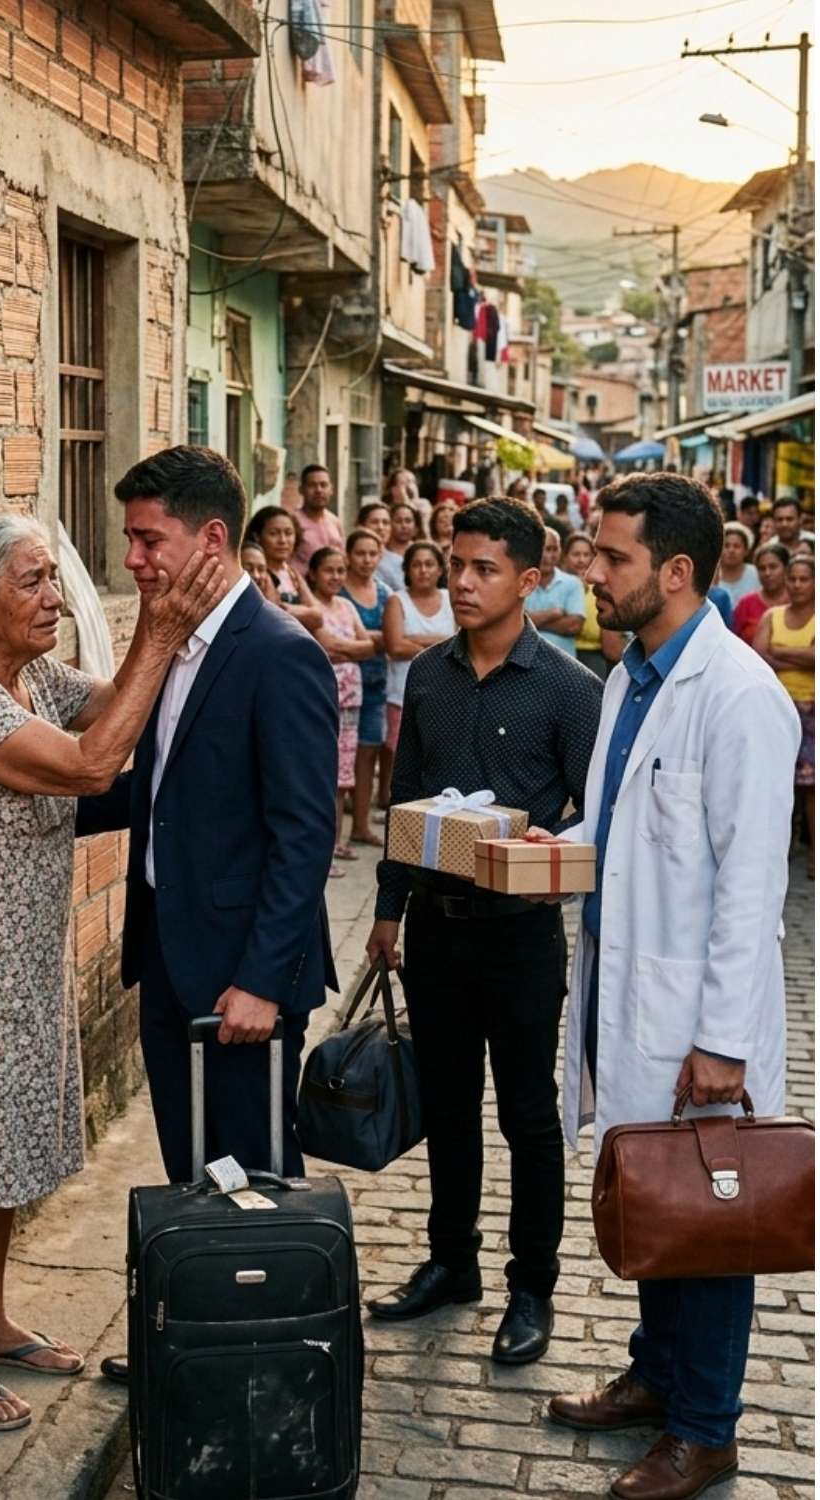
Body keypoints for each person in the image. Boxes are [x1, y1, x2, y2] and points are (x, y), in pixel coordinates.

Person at [0, 512, 223, 1430]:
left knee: (0, 1130)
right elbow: (91, 763)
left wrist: (174, 660)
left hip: (13, 951)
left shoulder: (26, 675)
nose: (53, 597)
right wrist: (160, 632)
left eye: (51, 578)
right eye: (31, 582)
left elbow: (112, 705)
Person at [549, 472, 800, 1500]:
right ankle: (657, 1378)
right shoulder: (629, 678)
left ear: (677, 571)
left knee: (708, 1212)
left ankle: (707, 1427)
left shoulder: (739, 696)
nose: (592, 573)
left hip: (696, 1015)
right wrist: (548, 848)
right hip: (623, 990)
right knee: (655, 1193)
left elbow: (752, 891)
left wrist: (725, 1043)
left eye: (613, 558)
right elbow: (617, 833)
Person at [76, 446, 339, 1286]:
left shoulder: (277, 652)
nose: (132, 561)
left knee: (254, 1178)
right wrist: (27, 806)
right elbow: (151, 792)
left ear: (212, 539)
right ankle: (191, 1332)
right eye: (129, 540)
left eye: (149, 540)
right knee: (191, 1170)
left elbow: (306, 833)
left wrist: (263, 979)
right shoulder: (170, 644)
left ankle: (263, 1353)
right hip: (168, 958)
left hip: (242, 976)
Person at [364, 499, 602, 1366]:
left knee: (529, 1119)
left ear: (530, 581)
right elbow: (404, 803)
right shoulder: (427, 674)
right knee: (450, 1109)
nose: (460, 582)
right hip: (436, 932)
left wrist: (549, 858)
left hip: (521, 941)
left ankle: (531, 1286)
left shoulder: (572, 690)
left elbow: (594, 823)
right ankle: (449, 1263)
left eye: (484, 569)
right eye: (456, 565)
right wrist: (388, 912)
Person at [309, 543, 374, 868]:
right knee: (323, 776)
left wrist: (344, 651)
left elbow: (369, 647)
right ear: (313, 573)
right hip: (322, 701)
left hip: (352, 703)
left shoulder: (347, 607)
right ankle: (323, 852)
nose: (335, 577)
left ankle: (336, 843)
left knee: (343, 777)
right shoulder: (311, 608)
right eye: (328, 570)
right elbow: (326, 645)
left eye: (339, 571)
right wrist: (349, 649)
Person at [753, 553, 814, 878]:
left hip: (812, 707)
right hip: (778, 706)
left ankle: (814, 851)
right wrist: (802, 658)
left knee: (811, 787)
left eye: (805, 579)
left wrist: (782, 653)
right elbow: (760, 654)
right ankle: (782, 845)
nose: (798, 584)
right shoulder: (772, 616)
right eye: (793, 578)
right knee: (780, 780)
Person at [382, 539, 454, 770]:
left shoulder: (451, 598)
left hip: (446, 693)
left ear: (440, 569)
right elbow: (395, 647)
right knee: (400, 761)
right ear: (407, 569)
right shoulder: (396, 600)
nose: (423, 570)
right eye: (416, 564)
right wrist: (441, 643)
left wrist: (411, 639)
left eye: (429, 564)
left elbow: (462, 642)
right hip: (401, 692)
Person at [341, 527, 391, 848]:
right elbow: (385, 638)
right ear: (348, 555)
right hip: (342, 687)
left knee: (368, 754)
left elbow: (393, 637)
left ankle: (360, 825)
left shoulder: (385, 593)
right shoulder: (338, 593)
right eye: (360, 553)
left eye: (373, 554)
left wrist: (361, 640)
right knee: (340, 760)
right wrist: (374, 640)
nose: (366, 560)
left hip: (377, 683)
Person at [245, 505, 323, 632]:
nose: (283, 540)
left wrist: (292, 610)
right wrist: (307, 612)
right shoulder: (259, 574)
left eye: (288, 533)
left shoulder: (292, 572)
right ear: (257, 536)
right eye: (274, 533)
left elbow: (319, 617)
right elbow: (274, 618)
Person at [562, 530, 623, 680]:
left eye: (586, 555)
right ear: (564, 556)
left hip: (593, 659)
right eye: (576, 555)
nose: (581, 560)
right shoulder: (557, 587)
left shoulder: (600, 590)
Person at [525, 525, 586, 654]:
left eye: (554, 550)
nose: (550, 556)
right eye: (545, 549)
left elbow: (574, 626)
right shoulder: (522, 581)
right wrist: (552, 614)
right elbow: (512, 623)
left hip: (562, 665)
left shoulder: (572, 583)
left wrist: (529, 621)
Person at [289, 463, 345, 575]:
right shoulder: (292, 521)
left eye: (323, 485)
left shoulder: (335, 522)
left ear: (331, 489)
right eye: (312, 485)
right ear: (301, 490)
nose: (318, 490)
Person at [732, 541, 790, 646]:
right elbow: (733, 641)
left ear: (786, 569)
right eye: (762, 569)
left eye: (773, 567)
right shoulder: (746, 603)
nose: (767, 573)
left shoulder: (797, 601)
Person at [714, 522, 759, 608]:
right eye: (726, 546)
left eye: (737, 546)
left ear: (746, 550)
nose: (731, 550)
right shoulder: (711, 575)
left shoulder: (756, 573)